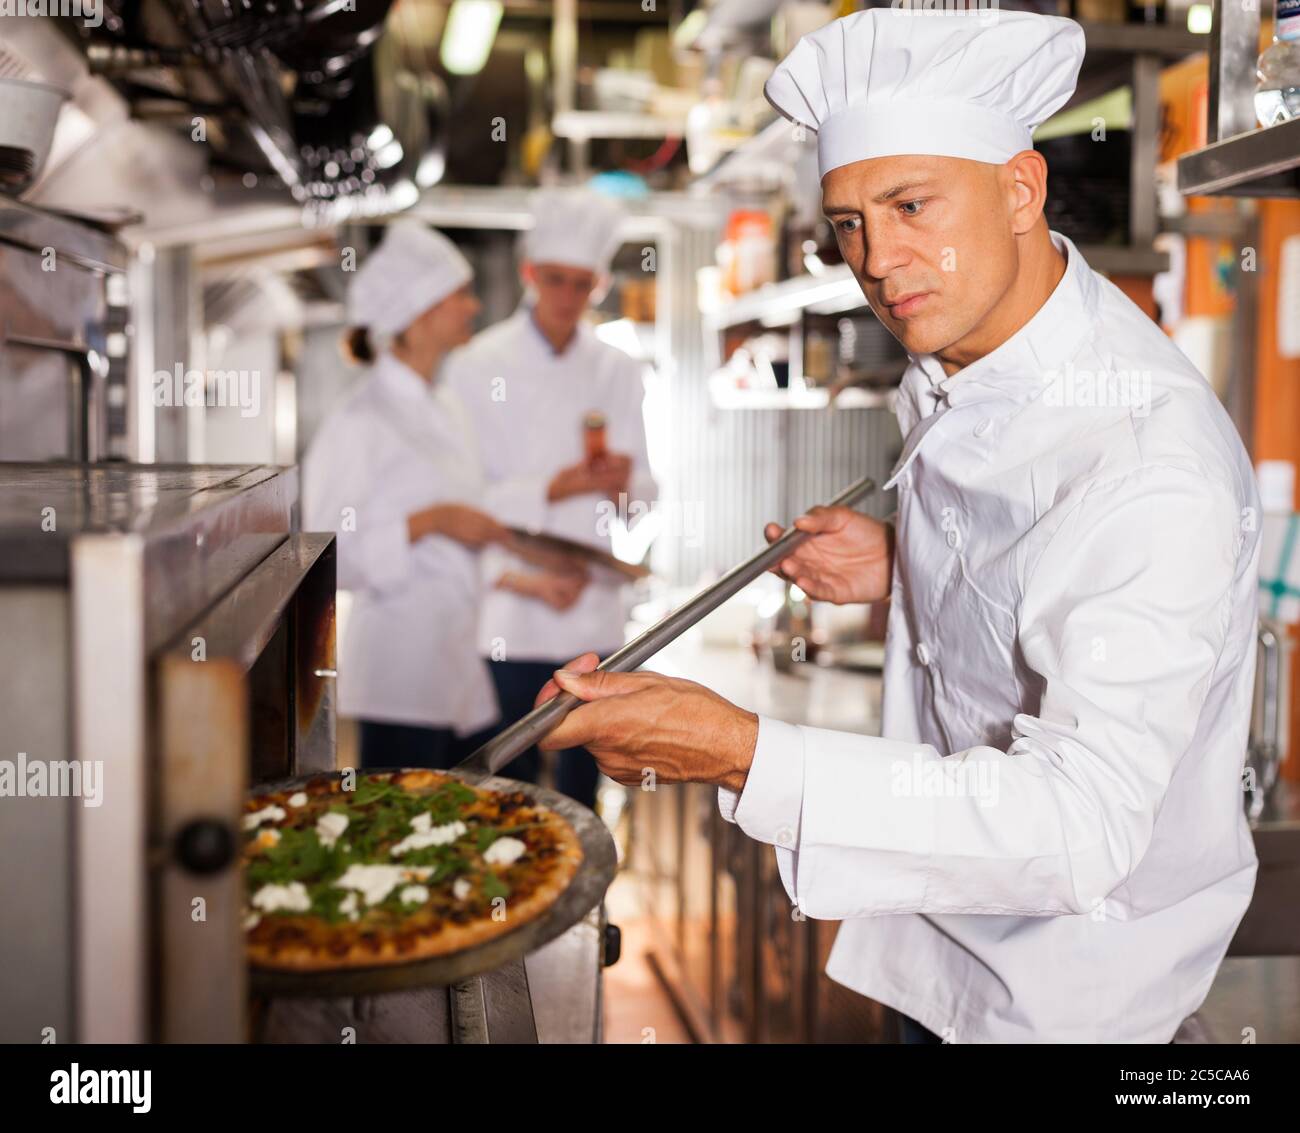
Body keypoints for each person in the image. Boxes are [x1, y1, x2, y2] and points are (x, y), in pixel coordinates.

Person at [528, 9, 1262, 1043]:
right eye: (850, 222)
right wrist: (910, 562)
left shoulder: (1146, 455)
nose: (877, 260)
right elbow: (1033, 555)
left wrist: (741, 750)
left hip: (1070, 1006)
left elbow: (1077, 826)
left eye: (912, 204)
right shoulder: (962, 359)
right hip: (935, 950)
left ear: (1020, 188)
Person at [446, 187, 658, 809]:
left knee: (580, 794)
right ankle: (502, 907)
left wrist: (625, 487)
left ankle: (576, 908)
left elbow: (644, 498)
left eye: (581, 285)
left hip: (590, 617)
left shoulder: (619, 370)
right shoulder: (476, 365)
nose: (567, 299)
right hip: (507, 617)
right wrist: (554, 487)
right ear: (529, 274)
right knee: (501, 789)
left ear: (598, 286)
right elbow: (463, 502)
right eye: (556, 281)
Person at [302, 220, 508, 771]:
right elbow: (325, 554)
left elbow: (461, 536)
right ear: (419, 314)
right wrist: (429, 521)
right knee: (404, 840)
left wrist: (523, 576)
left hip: (455, 664)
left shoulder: (445, 407)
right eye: (459, 295)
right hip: (401, 675)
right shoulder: (360, 418)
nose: (473, 305)